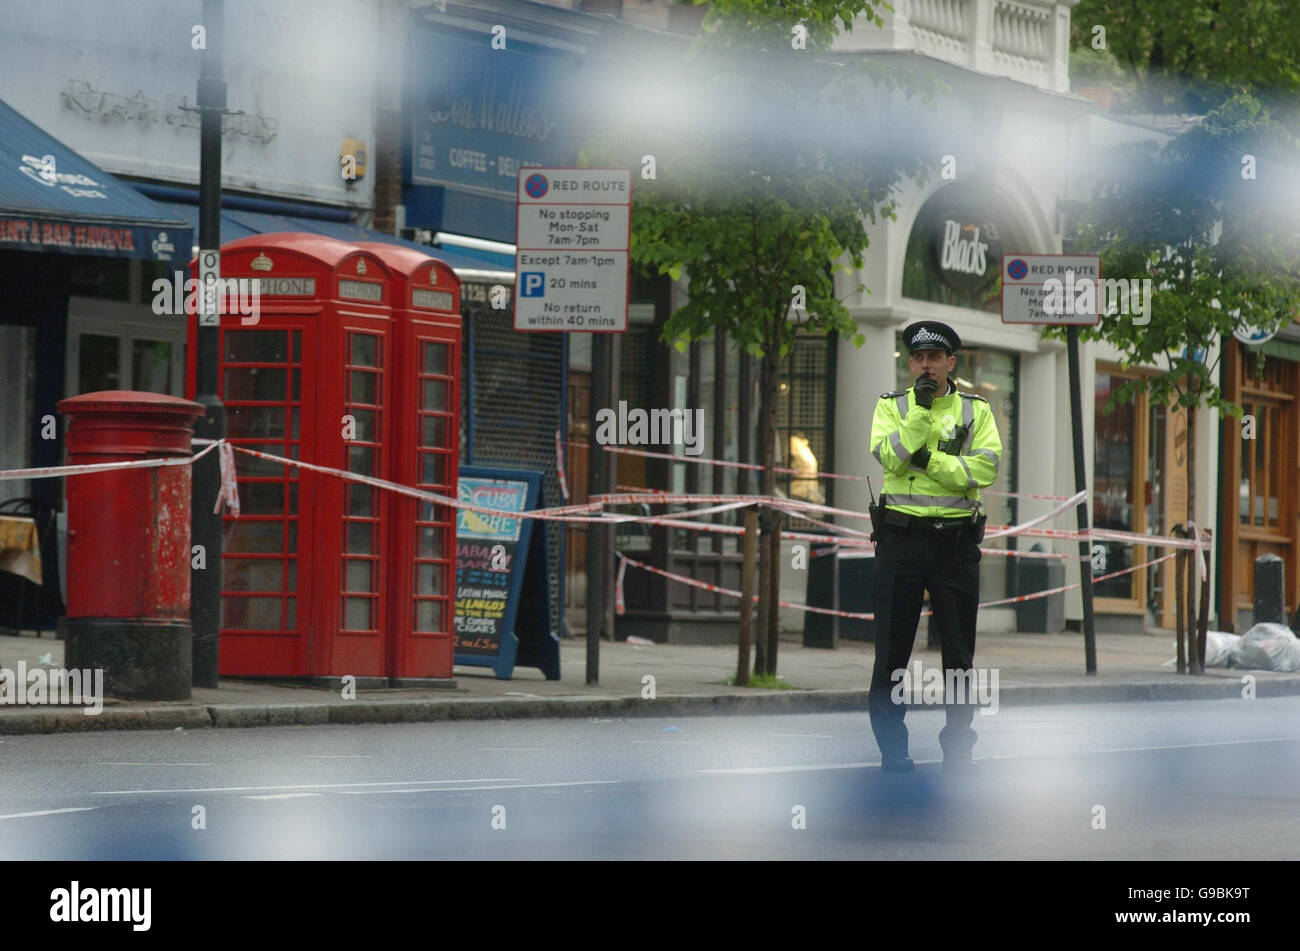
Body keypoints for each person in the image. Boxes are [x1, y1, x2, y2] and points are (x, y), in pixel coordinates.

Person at [867, 321, 1002, 774]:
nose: (925, 365)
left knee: (959, 656)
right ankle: (893, 752)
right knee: (891, 654)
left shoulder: (976, 411)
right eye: (918, 358)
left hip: (955, 545)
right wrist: (922, 415)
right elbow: (888, 456)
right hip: (900, 542)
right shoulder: (892, 407)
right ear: (910, 362)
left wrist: (924, 458)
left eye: (934, 358)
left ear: (950, 363)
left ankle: (959, 750)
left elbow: (981, 472)